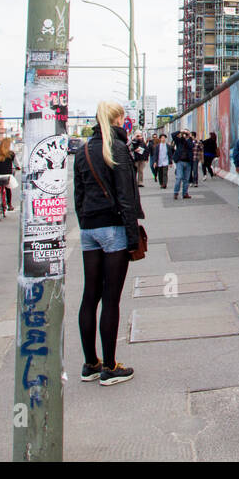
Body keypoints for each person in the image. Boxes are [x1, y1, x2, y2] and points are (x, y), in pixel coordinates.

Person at [71, 100, 142, 386]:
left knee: (91, 295)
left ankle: (90, 363)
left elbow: (78, 195)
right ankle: (110, 367)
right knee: (111, 298)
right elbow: (126, 195)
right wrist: (132, 236)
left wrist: (85, 224)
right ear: (119, 120)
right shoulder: (118, 149)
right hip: (113, 228)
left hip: (89, 227)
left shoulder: (82, 150)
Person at [171, 129, 194, 199]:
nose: (185, 135)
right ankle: (176, 192)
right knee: (179, 177)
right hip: (180, 162)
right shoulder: (179, 141)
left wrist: (189, 136)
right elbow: (173, 134)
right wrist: (180, 131)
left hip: (188, 163)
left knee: (186, 179)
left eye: (186, 134)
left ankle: (185, 193)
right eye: (185, 134)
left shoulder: (190, 141)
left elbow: (191, 146)